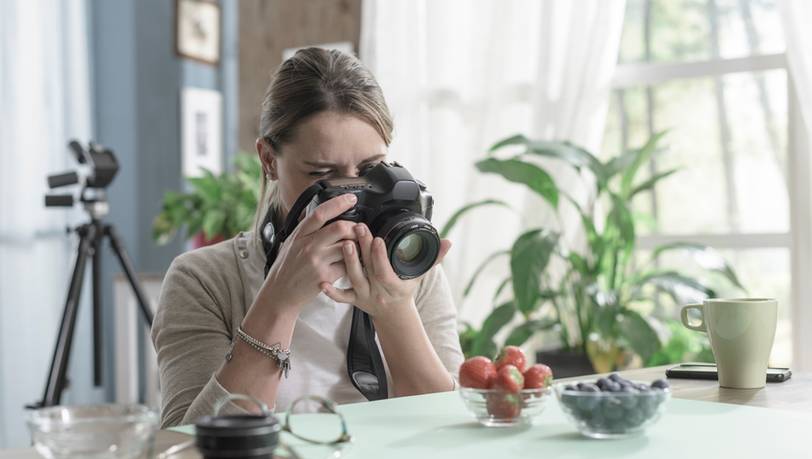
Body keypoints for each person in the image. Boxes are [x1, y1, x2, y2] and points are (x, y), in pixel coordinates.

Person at [151, 47, 464, 428]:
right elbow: (188, 449)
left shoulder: (409, 264)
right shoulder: (204, 279)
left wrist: (396, 309)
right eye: (322, 174)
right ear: (269, 160)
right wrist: (278, 301)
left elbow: (446, 434)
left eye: (372, 169)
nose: (352, 195)